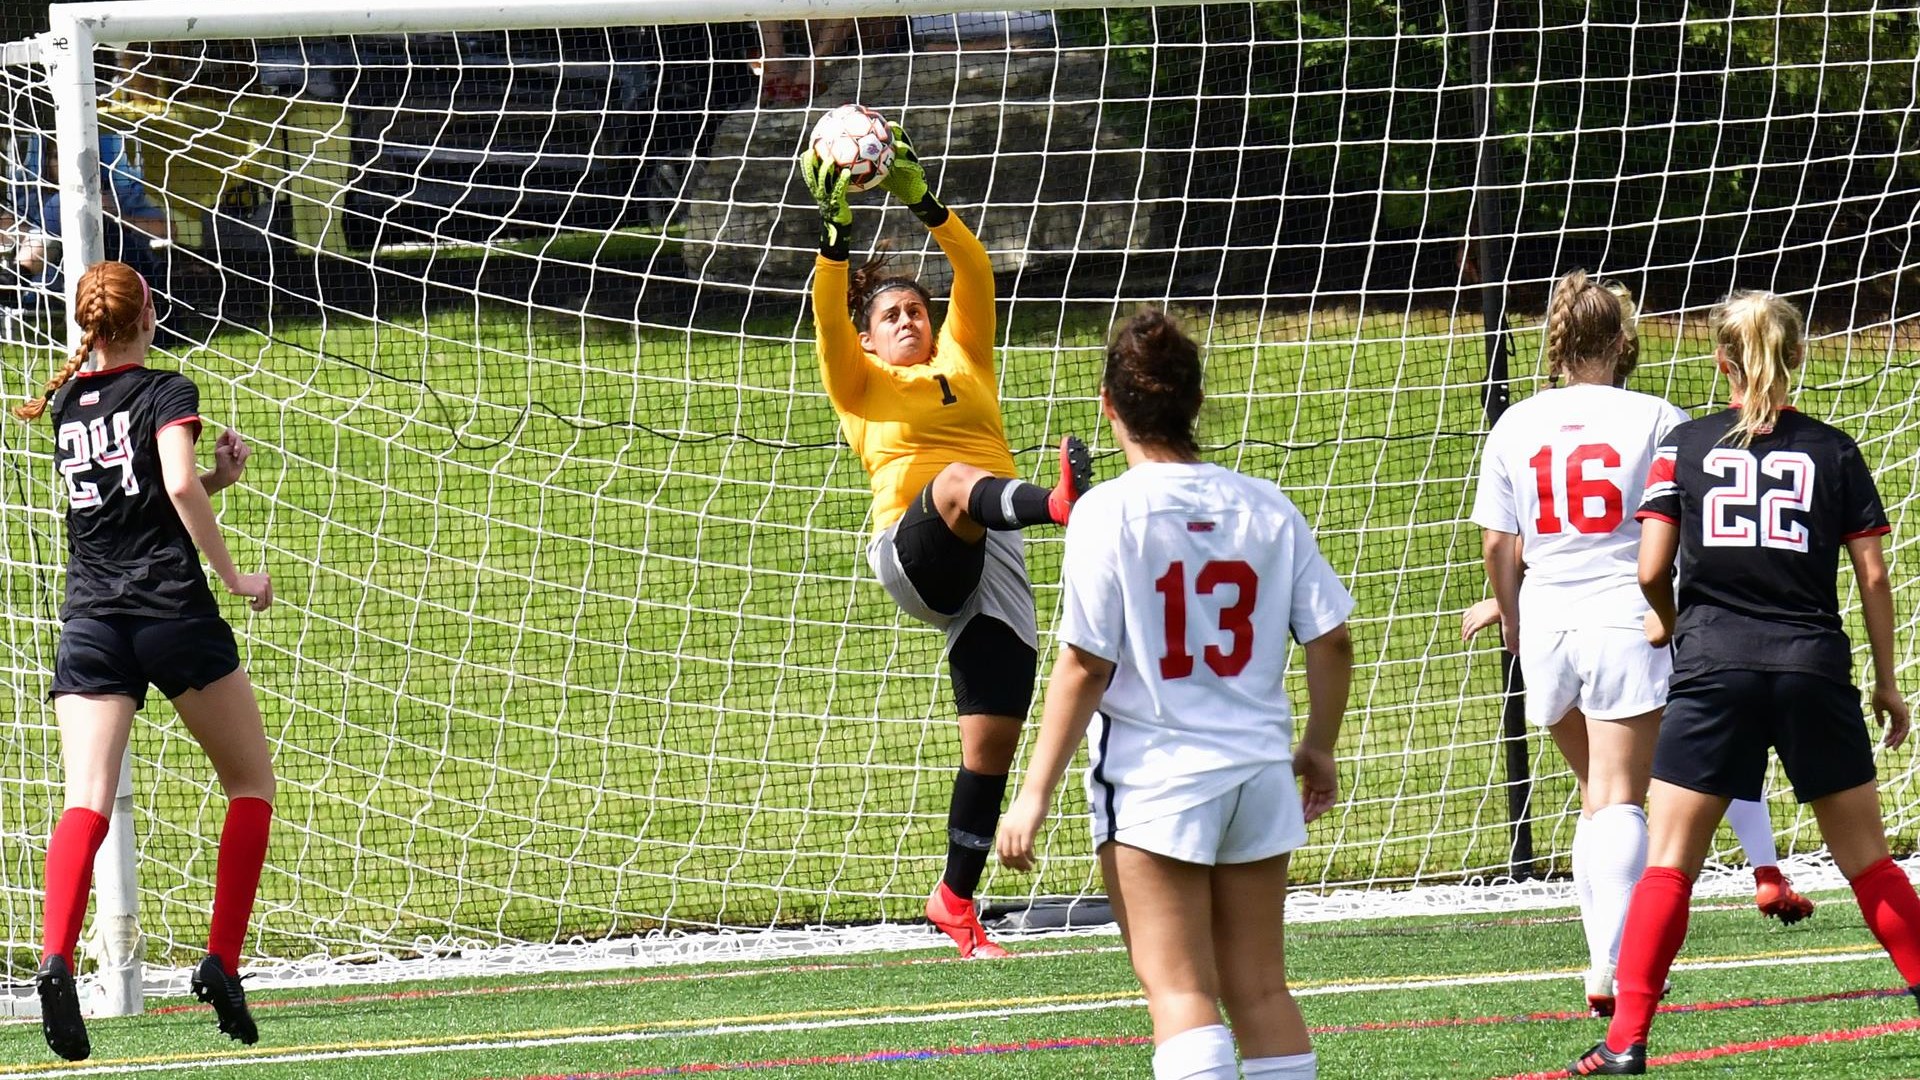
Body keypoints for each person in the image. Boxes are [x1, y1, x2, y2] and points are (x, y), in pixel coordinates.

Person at [997, 309, 1354, 1080]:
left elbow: (1085, 666)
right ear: (1195, 402)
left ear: (1108, 403)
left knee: (1180, 993)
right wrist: (1318, 746)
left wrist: (1031, 795)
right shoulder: (1267, 505)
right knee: (1260, 989)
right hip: (1258, 774)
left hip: (1157, 779)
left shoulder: (1106, 512)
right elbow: (1332, 640)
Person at [1571, 290, 1920, 1075]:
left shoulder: (1683, 446)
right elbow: (1872, 576)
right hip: (1811, 667)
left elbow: (1651, 566)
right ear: (1798, 356)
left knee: (1669, 865)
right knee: (1868, 860)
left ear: (1720, 360)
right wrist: (1889, 682)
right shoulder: (1835, 452)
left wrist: (1667, 620)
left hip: (1714, 668)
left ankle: (1626, 1041)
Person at [1464, 271, 1811, 1018]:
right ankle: (1612, 969)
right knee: (1625, 801)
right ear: (1624, 341)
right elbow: (1677, 528)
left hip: (1548, 625)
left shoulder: (1515, 423)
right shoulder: (1656, 416)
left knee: (1598, 799)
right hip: (1628, 621)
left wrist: (1509, 612)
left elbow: (1500, 541)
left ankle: (1601, 963)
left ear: (1555, 342)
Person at [799, 119, 1093, 958]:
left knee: (994, 736)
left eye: (915, 310)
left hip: (992, 545)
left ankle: (954, 902)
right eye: (891, 313)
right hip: (915, 543)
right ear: (868, 336)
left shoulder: (965, 360)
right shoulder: (858, 381)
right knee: (954, 485)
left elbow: (974, 267)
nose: (907, 320)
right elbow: (828, 315)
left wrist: (922, 200)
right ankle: (1066, 506)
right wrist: (836, 238)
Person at [15, 260, 275, 1060]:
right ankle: (221, 962)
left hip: (91, 619)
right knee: (251, 784)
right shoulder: (168, 390)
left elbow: (137, 498)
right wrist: (235, 575)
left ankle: (57, 957)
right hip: (171, 612)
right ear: (150, 312)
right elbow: (171, 488)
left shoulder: (67, 403)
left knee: (83, 801)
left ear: (88, 324)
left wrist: (215, 479)